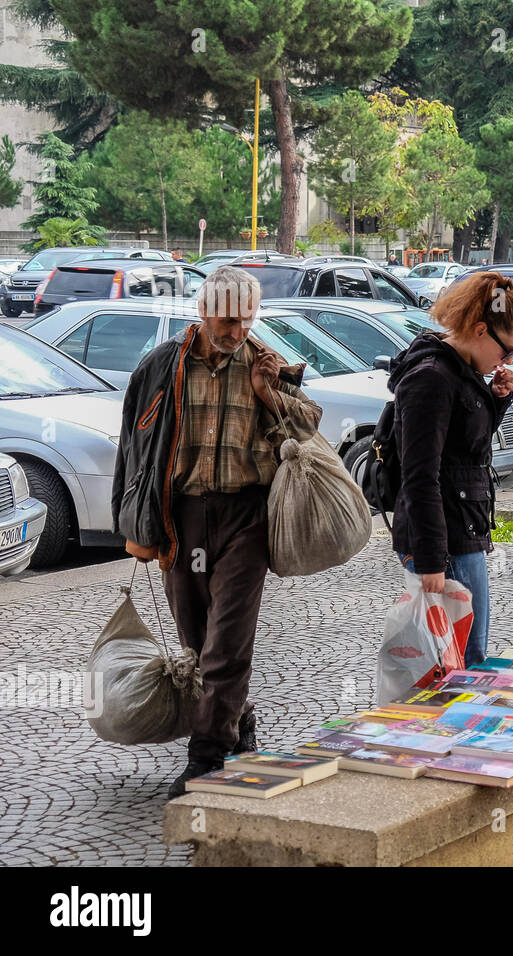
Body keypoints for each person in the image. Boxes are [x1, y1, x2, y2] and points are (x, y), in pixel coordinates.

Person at [111, 266, 323, 797]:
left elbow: (309, 426)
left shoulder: (265, 364)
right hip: (183, 518)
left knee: (228, 640)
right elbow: (133, 450)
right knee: (197, 640)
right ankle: (239, 720)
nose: (239, 331)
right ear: (203, 312)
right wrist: (136, 524)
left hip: (246, 516)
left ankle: (206, 757)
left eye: (248, 318)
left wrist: (269, 393)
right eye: (229, 320)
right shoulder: (162, 366)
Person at [388, 272, 513, 672]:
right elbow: (419, 475)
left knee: (467, 659)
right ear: (481, 330)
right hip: (444, 540)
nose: (508, 361)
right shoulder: (431, 377)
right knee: (456, 664)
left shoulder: (463, 371)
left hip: (464, 529)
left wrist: (498, 400)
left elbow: (468, 449)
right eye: (506, 352)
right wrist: (432, 559)